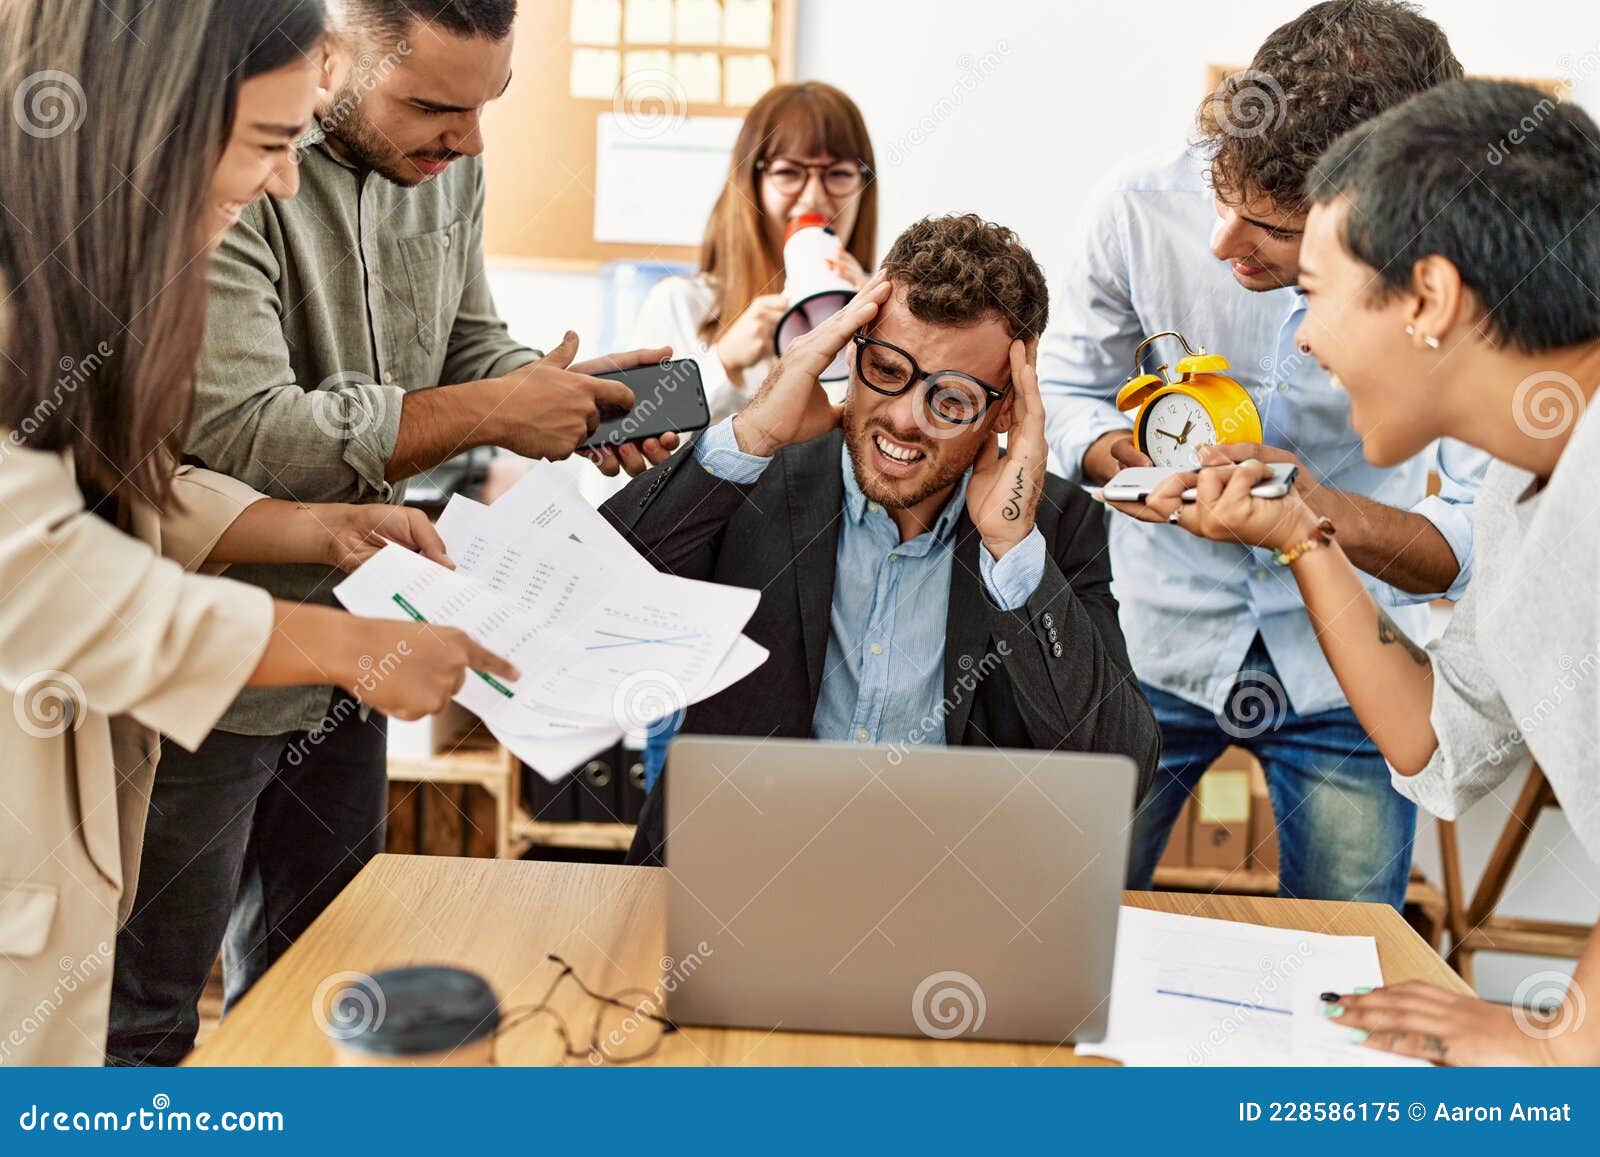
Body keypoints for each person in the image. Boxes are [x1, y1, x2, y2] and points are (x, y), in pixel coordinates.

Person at [105, 0, 667, 1066]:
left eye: (485, 106)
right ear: (335, 55)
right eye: (432, 106)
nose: (465, 141)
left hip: (373, 634)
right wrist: (495, 412)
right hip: (219, 651)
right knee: (145, 1014)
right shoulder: (238, 173)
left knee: (327, 983)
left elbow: (466, 344)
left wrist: (550, 392)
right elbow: (243, 430)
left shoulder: (446, 157)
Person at [0, 0, 515, 1067]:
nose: (288, 182)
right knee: (133, 1027)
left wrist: (314, 527)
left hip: (82, 833)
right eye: (273, 145)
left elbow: (126, 490)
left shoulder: (90, 279)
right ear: (156, 123)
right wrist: (339, 644)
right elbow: (41, 570)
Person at [1145, 78, 1600, 1067]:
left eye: (1312, 291)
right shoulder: (1523, 495)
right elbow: (1435, 737)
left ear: (1428, 297)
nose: (1302, 335)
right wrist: (1303, 535)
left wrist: (1567, 1041)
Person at [1040, 0, 1489, 908]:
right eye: (1220, 197)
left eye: (1275, 232)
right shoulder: (1136, 207)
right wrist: (1126, 461)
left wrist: (1318, 512)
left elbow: (1475, 534)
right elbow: (1063, 388)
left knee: (1344, 968)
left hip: (1350, 672)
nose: (1220, 243)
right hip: (1150, 641)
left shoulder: (1480, 288)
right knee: (1055, 928)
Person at [605, 215, 1161, 866]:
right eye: (887, 368)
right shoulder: (753, 477)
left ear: (1007, 408)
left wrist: (1010, 548)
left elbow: (1118, 770)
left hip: (940, 910)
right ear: (852, 347)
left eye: (951, 398)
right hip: (731, 883)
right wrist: (750, 435)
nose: (904, 417)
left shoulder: (1051, 528)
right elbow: (593, 598)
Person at [631, 82, 876, 423]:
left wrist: (882, 337)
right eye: (789, 172)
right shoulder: (681, 304)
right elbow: (626, 455)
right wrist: (723, 362)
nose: (814, 198)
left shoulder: (881, 313)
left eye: (838, 174)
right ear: (752, 184)